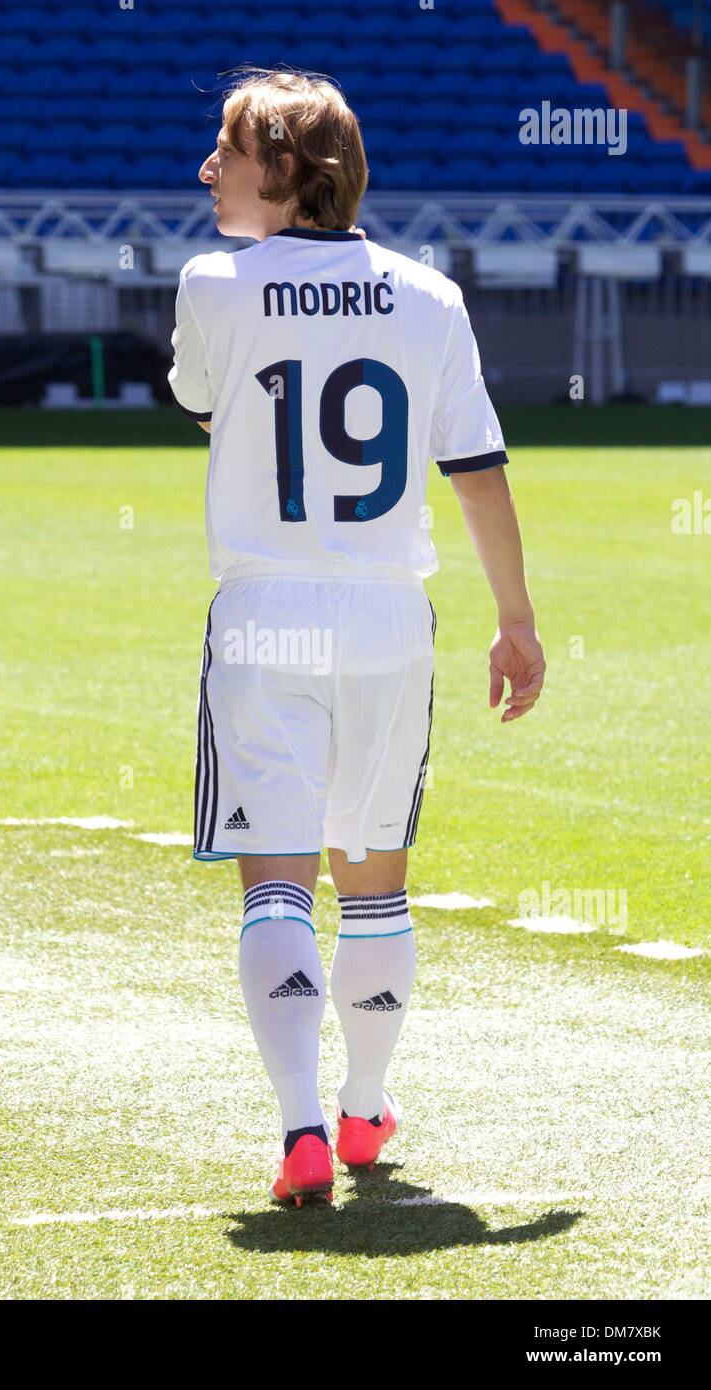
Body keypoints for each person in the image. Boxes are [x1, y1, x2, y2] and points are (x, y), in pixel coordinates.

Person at [168, 68, 545, 1207]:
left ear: (283, 169)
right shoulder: (430, 294)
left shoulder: (212, 283)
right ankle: (366, 1108)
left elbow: (204, 405)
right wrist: (516, 622)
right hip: (389, 615)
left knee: (273, 881)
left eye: (227, 150)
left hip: (266, 607)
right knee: (374, 882)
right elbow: (475, 474)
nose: (207, 169)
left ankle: (298, 1132)